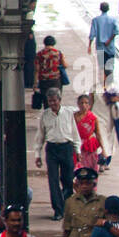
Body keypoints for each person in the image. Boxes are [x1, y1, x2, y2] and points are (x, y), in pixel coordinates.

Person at [34, 89, 81, 221]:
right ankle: (58, 210)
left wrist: (78, 150)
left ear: (59, 100)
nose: (53, 103)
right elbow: (40, 136)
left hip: (66, 148)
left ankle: (67, 207)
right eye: (50, 101)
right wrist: (37, 154)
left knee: (68, 180)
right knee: (53, 181)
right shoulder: (45, 115)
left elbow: (74, 132)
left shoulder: (68, 113)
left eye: (55, 100)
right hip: (52, 149)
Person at [88, 1, 119, 90]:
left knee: (102, 66)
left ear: (100, 9)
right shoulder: (113, 20)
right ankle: (109, 85)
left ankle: (104, 85)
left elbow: (92, 34)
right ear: (108, 9)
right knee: (110, 66)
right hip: (110, 47)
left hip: (100, 47)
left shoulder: (95, 20)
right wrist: (109, 40)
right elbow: (116, 32)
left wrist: (89, 45)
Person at [34, 35, 66, 111]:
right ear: (54, 43)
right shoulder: (58, 53)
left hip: (44, 81)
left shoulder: (39, 54)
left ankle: (48, 114)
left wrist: (35, 83)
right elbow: (65, 65)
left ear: (44, 43)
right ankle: (56, 113)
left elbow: (36, 70)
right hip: (56, 80)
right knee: (56, 99)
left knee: (46, 100)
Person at [74, 93, 103, 173]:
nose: (84, 105)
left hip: (89, 146)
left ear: (90, 105)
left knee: (90, 168)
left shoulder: (93, 118)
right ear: (78, 104)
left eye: (86, 103)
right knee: (77, 169)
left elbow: (98, 134)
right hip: (77, 145)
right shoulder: (73, 117)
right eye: (81, 103)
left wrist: (103, 149)